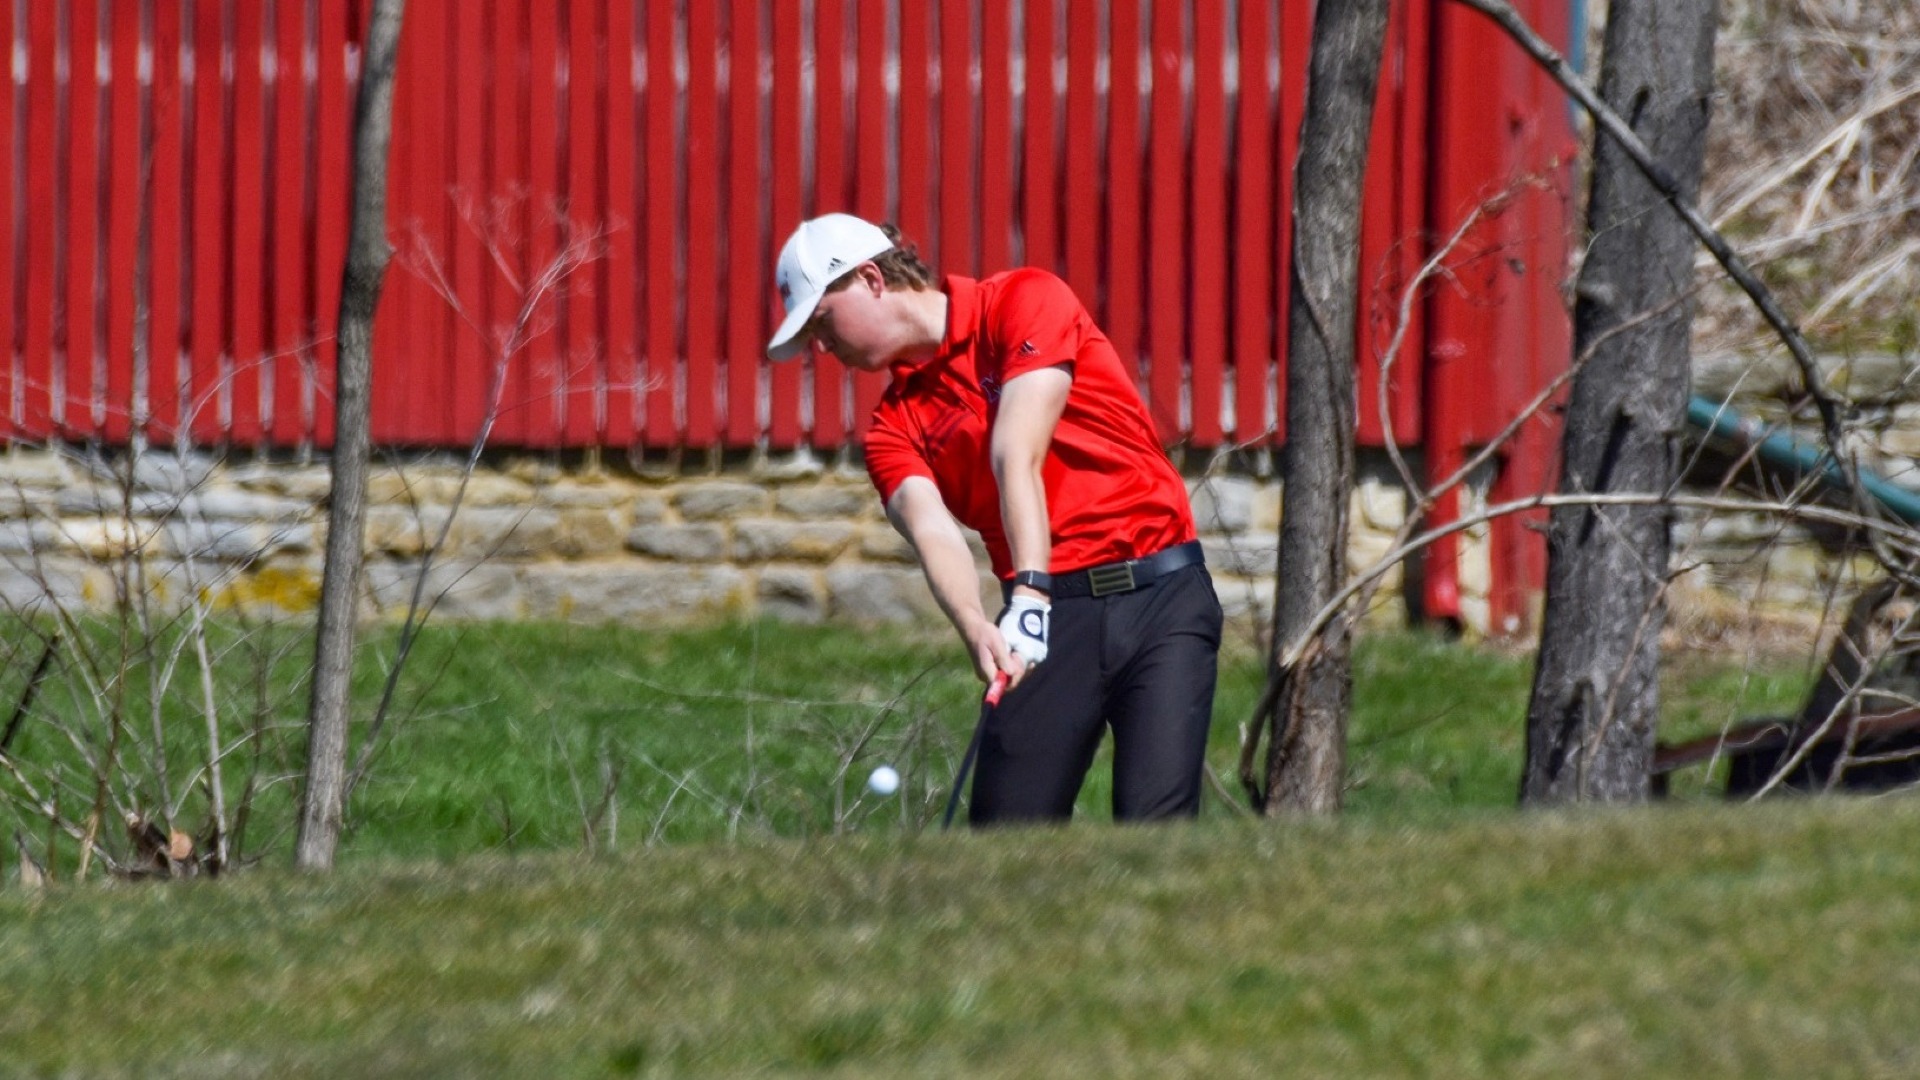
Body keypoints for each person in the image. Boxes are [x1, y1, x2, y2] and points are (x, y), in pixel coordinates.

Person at [766, 213, 1222, 824]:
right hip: (1046, 625)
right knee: (1005, 835)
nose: (821, 348)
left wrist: (1030, 587)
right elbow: (933, 533)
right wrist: (975, 623)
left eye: (822, 322)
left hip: (1161, 594)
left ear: (871, 279)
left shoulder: (1024, 300)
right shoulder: (891, 429)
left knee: (1157, 831)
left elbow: (1016, 451)